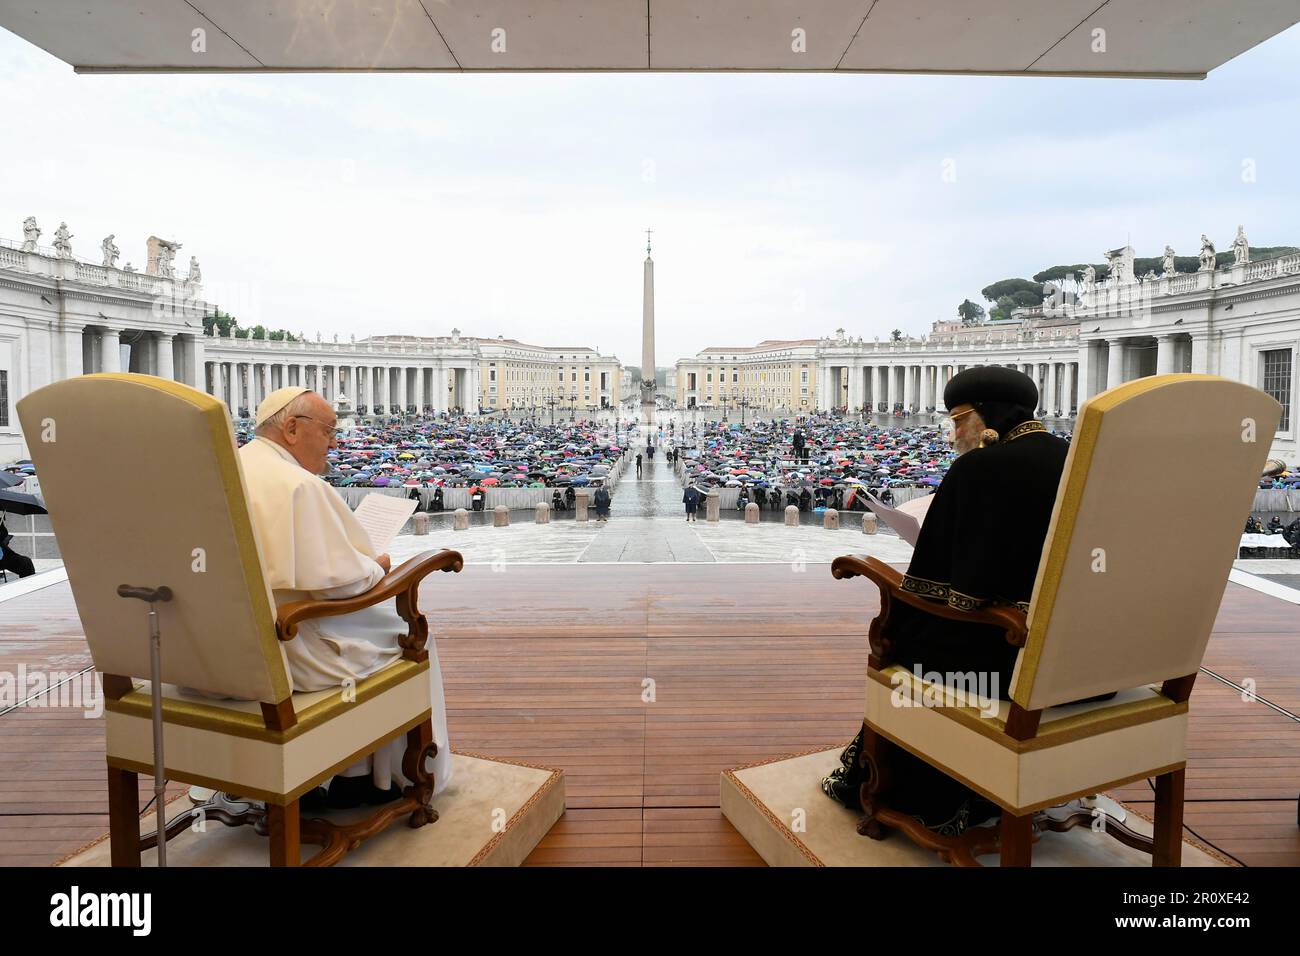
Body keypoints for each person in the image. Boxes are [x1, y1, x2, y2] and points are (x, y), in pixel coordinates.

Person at [821, 366, 1074, 835]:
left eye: (959, 419)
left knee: (900, 640)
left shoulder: (983, 465)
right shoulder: (1073, 456)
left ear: (989, 415)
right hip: (1074, 659)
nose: (955, 433)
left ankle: (899, 797)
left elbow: (949, 588)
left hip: (1002, 661)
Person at [239, 387, 453, 809]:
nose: (336, 442)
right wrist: (378, 564)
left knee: (372, 628)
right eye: (330, 431)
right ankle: (385, 778)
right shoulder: (298, 485)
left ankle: (348, 769)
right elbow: (346, 585)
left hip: (228, 649)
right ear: (293, 428)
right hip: (288, 651)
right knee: (410, 637)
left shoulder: (229, 467)